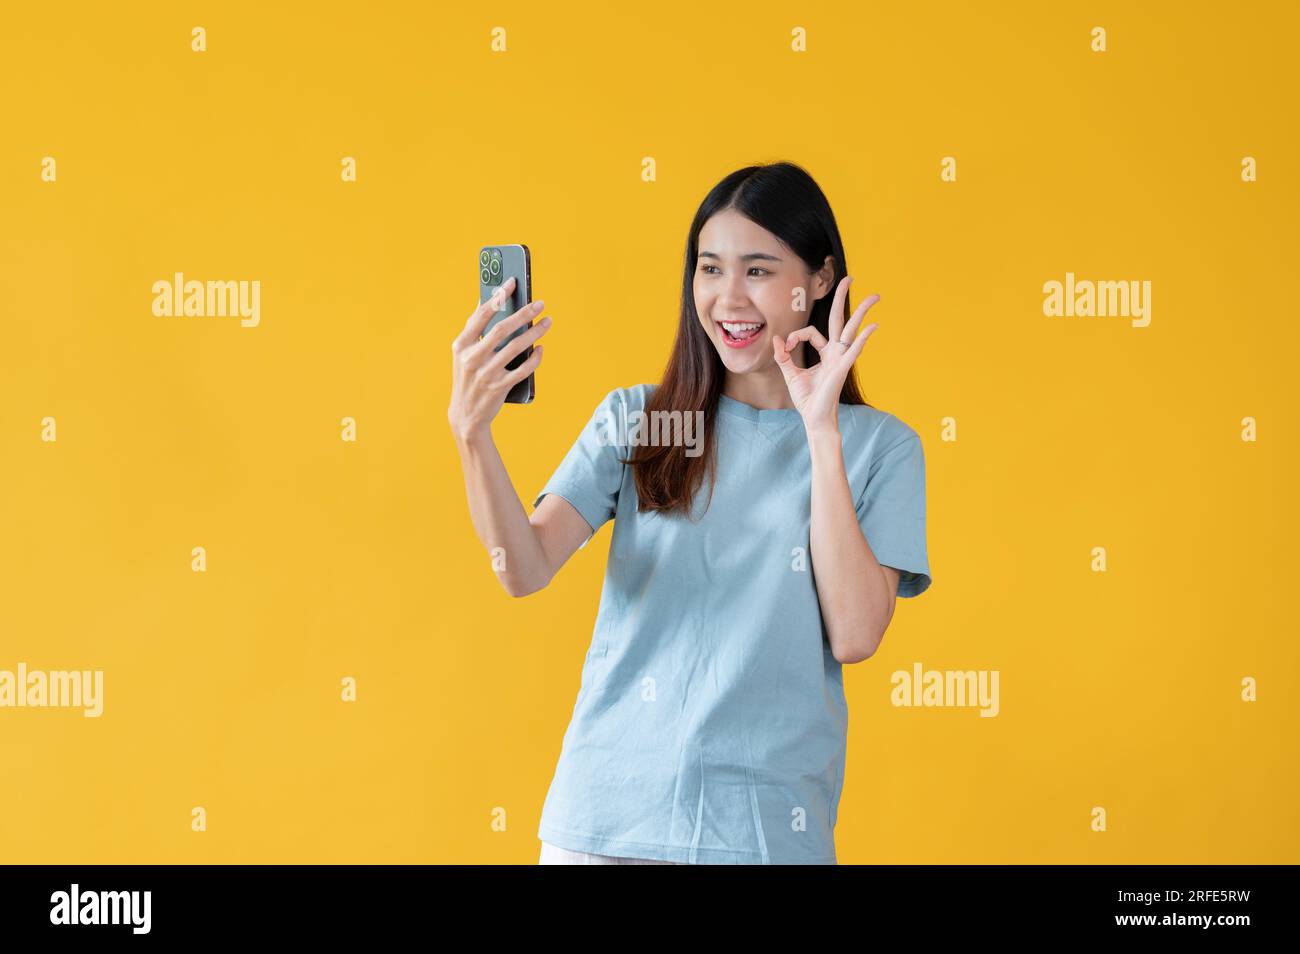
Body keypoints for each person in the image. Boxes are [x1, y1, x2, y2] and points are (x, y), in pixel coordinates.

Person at [449, 161, 933, 865]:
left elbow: (857, 634)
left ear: (820, 280)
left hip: (767, 835)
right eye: (710, 269)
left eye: (759, 271)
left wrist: (820, 430)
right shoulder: (638, 420)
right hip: (606, 827)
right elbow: (521, 568)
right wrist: (473, 435)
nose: (728, 298)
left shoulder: (881, 448)